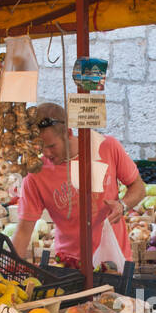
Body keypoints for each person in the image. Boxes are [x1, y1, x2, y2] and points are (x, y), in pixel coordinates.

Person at [13, 103, 144, 266]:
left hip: (113, 258)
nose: (46, 153)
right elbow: (24, 230)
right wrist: (8, 272)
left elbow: (138, 187)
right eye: (40, 147)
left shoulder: (106, 147)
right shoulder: (36, 174)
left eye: (51, 146)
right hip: (70, 264)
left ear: (68, 133)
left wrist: (123, 205)